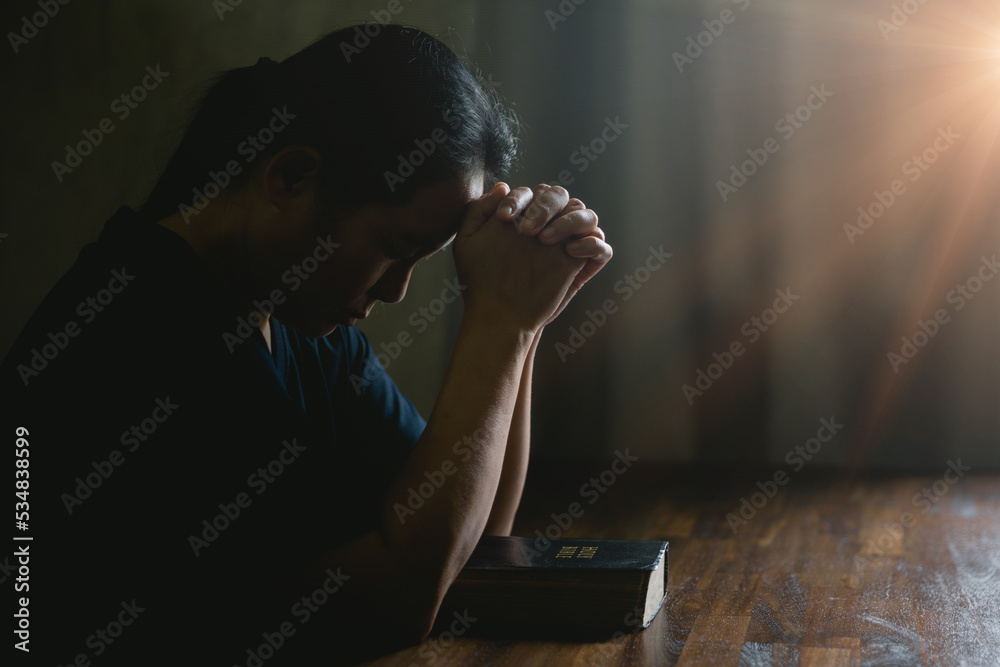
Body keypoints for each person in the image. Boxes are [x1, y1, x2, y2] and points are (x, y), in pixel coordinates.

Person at [1, 24, 611, 664]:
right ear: (291, 177)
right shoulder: (142, 331)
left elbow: (472, 538)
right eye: (395, 248)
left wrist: (523, 320)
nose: (397, 291)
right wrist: (501, 324)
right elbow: (399, 599)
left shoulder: (301, 321)